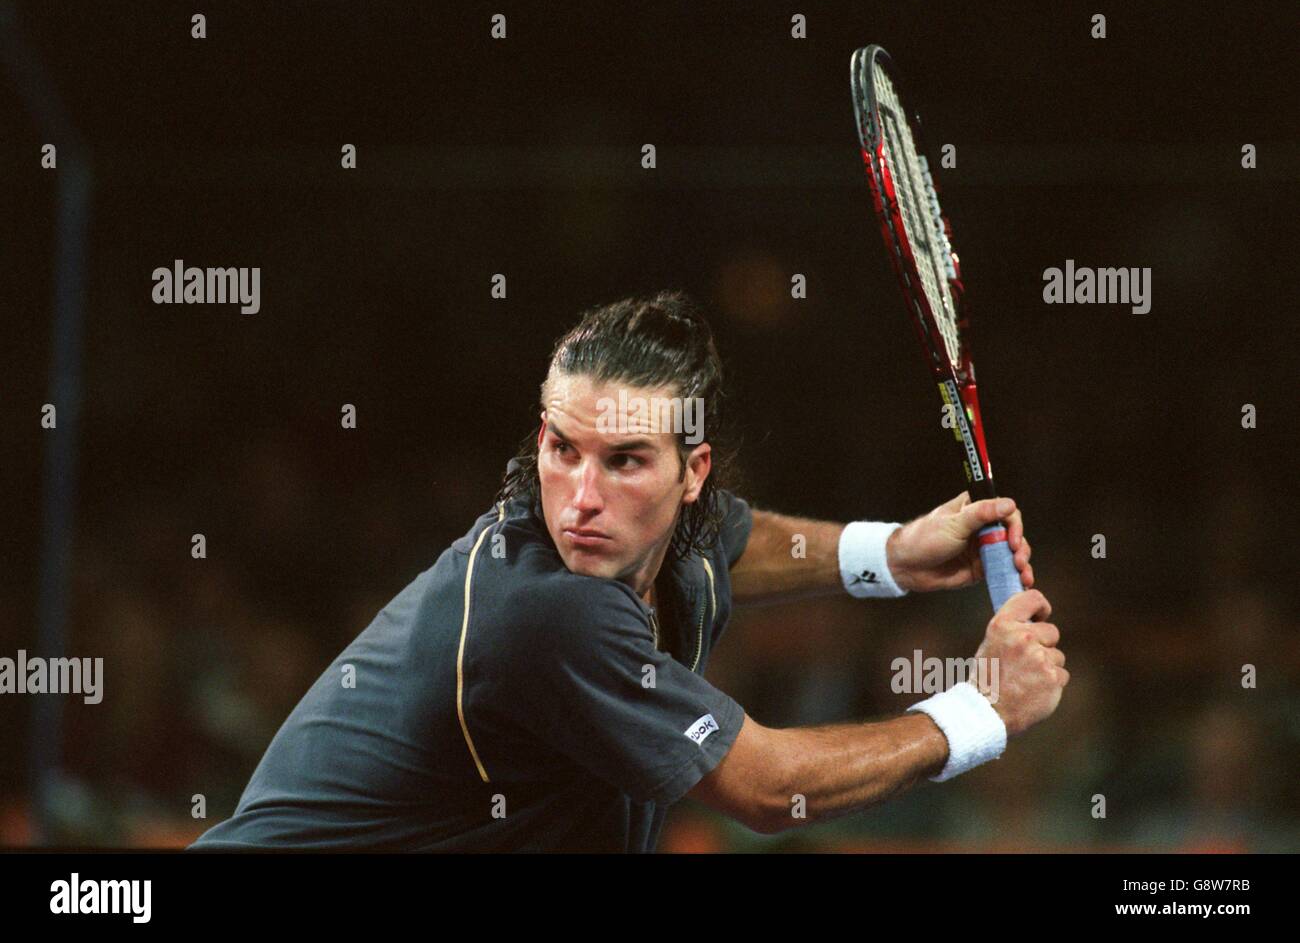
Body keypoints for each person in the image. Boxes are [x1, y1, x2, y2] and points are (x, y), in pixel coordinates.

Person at [189, 290, 1066, 851]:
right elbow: (770, 788)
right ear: (540, 437)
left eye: (624, 460)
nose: (581, 496)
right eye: (562, 449)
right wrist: (982, 707)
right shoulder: (548, 611)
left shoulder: (666, 537)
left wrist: (891, 553)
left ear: (693, 472)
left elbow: (736, 537)